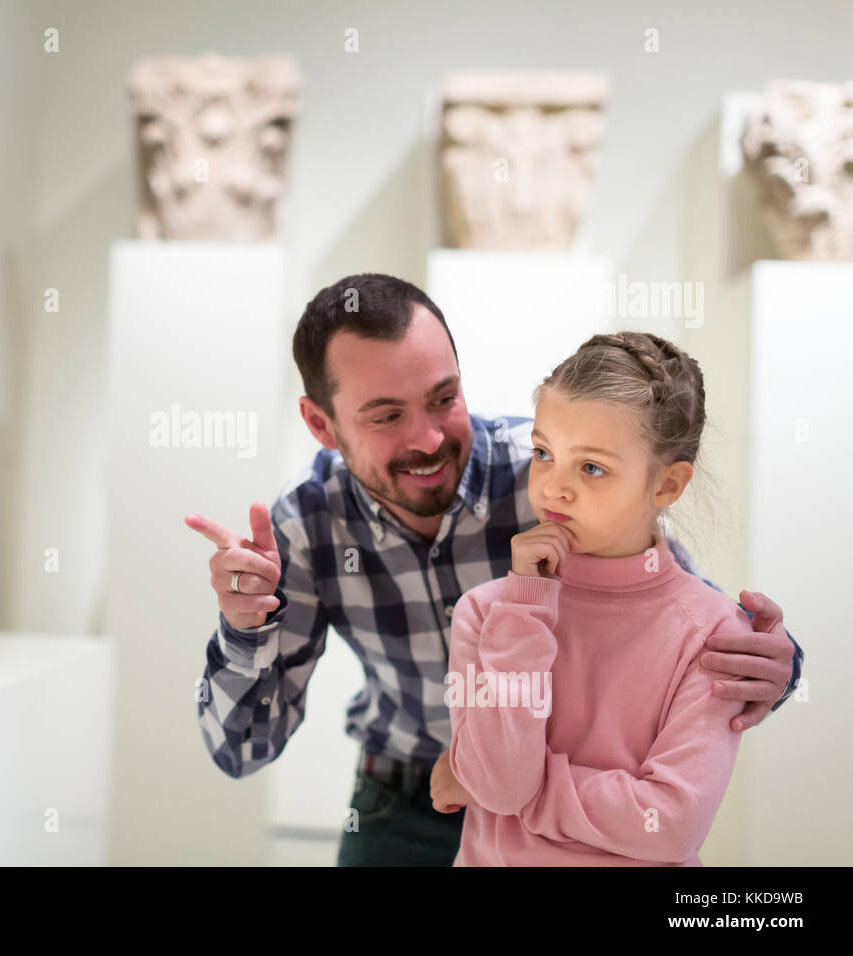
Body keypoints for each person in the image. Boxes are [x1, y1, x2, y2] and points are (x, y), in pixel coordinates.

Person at [185, 273, 804, 867]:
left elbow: (694, 626)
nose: (428, 438)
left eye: (443, 398)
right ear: (321, 424)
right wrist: (245, 631)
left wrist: (780, 663)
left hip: (581, 816)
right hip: (399, 800)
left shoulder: (548, 471)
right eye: (386, 416)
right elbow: (240, 752)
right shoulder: (306, 527)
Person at [436, 331, 761, 865]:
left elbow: (670, 826)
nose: (553, 488)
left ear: (667, 486)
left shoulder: (713, 633)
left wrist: (530, 789)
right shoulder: (487, 611)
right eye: (544, 453)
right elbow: (497, 786)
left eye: (591, 467)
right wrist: (525, 609)